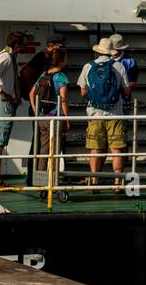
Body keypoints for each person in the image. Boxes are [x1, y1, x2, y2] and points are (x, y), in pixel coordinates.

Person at [78, 37, 131, 186]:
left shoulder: (88, 67)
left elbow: (82, 91)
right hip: (115, 114)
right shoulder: (118, 66)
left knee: (95, 149)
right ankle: (117, 182)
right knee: (117, 149)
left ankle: (94, 180)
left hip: (95, 114)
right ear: (111, 52)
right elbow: (126, 92)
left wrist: (94, 97)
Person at [0, 31, 27, 188]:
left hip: (4, 103)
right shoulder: (6, 57)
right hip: (2, 103)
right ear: (16, 44)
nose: (24, 47)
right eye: (23, 44)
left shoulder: (8, 56)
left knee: (0, 142)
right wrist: (2, 93)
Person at [28, 45, 70, 179]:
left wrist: (37, 113)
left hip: (42, 118)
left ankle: (40, 181)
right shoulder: (61, 77)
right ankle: (54, 179)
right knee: (56, 151)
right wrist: (67, 119)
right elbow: (63, 99)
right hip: (56, 118)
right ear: (62, 61)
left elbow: (31, 94)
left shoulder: (43, 75)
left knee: (43, 150)